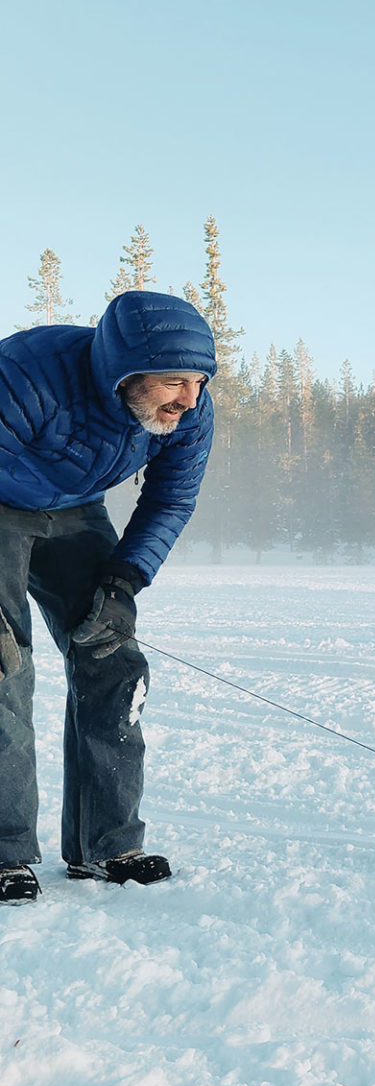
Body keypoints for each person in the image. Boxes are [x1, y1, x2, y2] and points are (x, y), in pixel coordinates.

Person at [0, 289, 217, 904]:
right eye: (176, 381)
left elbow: (171, 499)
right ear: (125, 370)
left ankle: (105, 846)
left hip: (73, 508)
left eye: (199, 382)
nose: (191, 398)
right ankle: (3, 852)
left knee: (114, 658)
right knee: (2, 665)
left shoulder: (189, 411)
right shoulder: (26, 375)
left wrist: (123, 582)